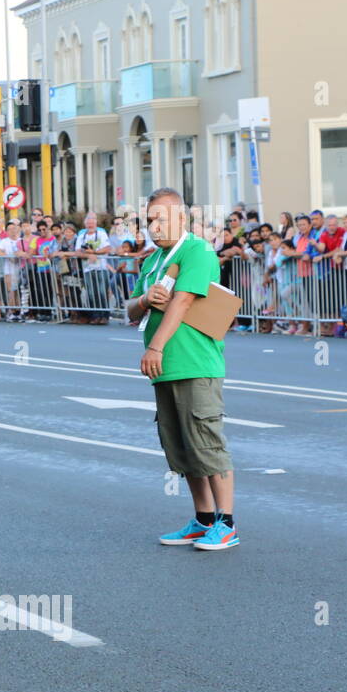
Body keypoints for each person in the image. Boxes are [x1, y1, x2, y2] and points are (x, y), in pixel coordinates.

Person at [126, 187, 237, 552]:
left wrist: (156, 344)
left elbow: (185, 299)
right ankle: (203, 518)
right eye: (150, 220)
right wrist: (144, 300)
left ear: (181, 218)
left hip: (193, 361)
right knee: (182, 447)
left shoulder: (197, 250)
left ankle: (226, 522)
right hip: (165, 368)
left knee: (207, 441)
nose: (154, 226)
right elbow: (130, 310)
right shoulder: (153, 260)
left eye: (161, 218)